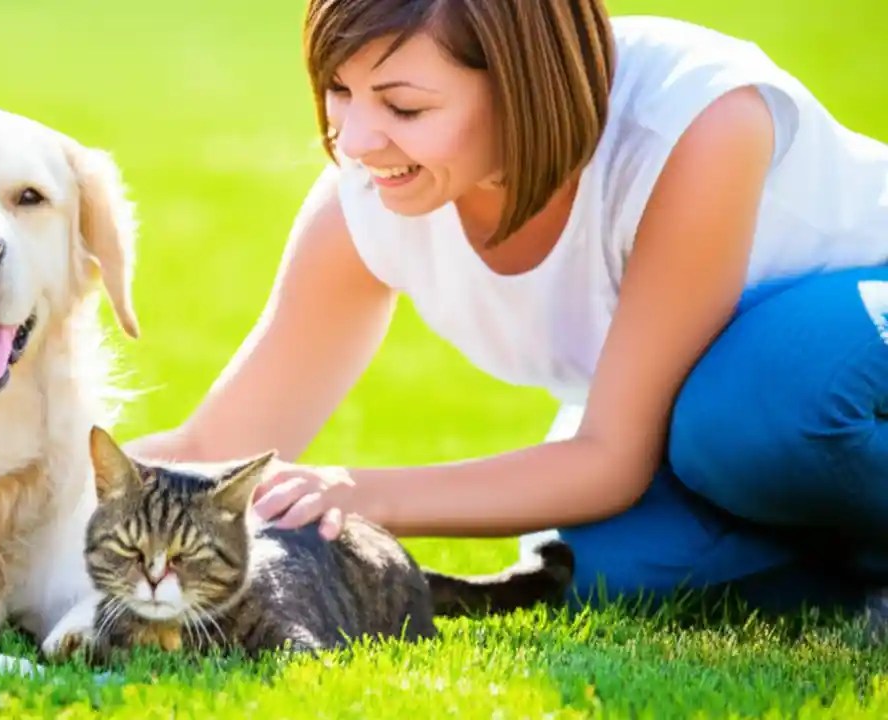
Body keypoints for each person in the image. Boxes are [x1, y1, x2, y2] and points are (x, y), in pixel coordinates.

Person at [125, 0, 888, 614]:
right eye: (339, 91)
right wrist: (31, 508)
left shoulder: (697, 121)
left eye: (404, 107)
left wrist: (359, 493)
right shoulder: (365, 201)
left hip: (843, 326)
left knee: (748, 421)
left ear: (525, 83)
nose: (355, 140)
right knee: (596, 571)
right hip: (719, 417)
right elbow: (215, 449)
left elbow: (612, 460)